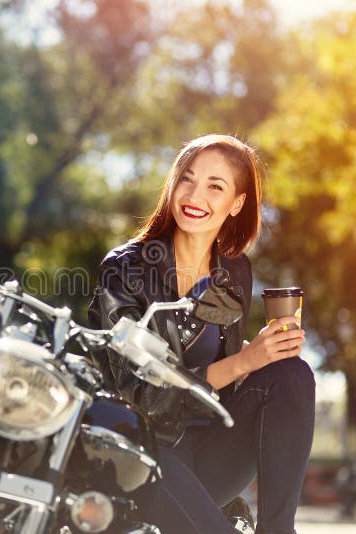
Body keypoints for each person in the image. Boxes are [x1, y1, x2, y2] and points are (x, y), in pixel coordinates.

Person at [88, 134, 315, 534]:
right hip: (144, 453)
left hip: (210, 451)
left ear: (236, 204)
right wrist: (242, 362)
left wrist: (259, 357)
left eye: (215, 186)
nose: (195, 195)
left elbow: (223, 370)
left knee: (292, 374)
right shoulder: (125, 269)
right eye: (187, 179)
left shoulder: (234, 271)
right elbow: (136, 396)